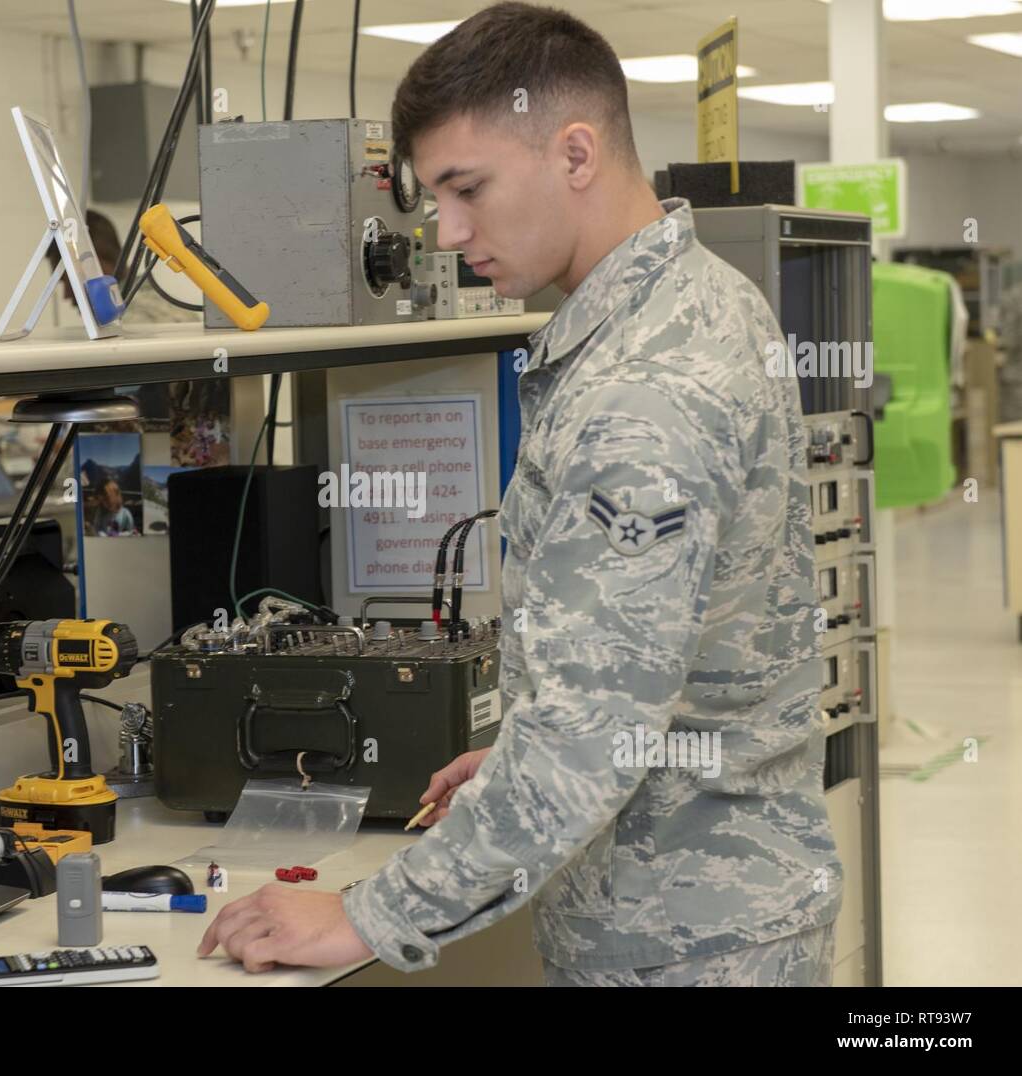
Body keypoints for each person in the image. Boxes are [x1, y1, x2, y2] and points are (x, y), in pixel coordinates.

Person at [197, 2, 842, 987]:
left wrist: (363, 914)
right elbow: (660, 665)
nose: (448, 232)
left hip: (684, 947)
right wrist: (519, 759)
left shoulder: (639, 391)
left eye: (467, 188)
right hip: (713, 910)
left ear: (574, 153)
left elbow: (588, 741)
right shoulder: (699, 297)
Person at [45, 208, 201, 325]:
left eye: (67, 280)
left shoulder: (129, 325)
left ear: (93, 266)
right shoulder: (156, 303)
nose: (65, 296)